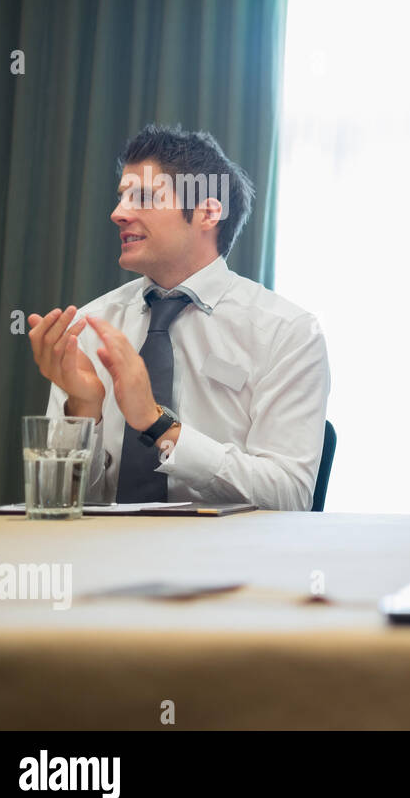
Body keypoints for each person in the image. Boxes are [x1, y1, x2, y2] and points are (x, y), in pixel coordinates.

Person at [27, 124, 330, 511]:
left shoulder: (287, 333)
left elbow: (289, 499)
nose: (118, 214)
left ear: (207, 211)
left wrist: (159, 425)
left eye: (143, 197)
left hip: (227, 565)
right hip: (98, 559)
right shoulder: (89, 327)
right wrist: (84, 410)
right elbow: (58, 502)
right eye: (121, 198)